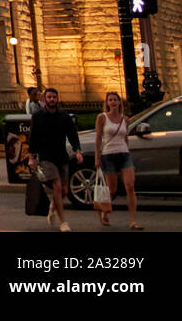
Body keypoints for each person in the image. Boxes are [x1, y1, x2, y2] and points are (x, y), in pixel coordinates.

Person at [28, 86, 83, 231]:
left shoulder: (64, 117)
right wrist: (31, 158)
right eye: (49, 97)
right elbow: (33, 138)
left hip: (61, 157)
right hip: (46, 157)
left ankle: (52, 207)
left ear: (57, 99)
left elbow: (72, 135)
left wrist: (78, 150)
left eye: (54, 97)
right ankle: (63, 222)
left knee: (64, 191)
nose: (52, 100)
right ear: (45, 99)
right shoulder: (38, 116)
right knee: (57, 186)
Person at [94, 91, 140, 229]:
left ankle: (133, 220)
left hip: (124, 154)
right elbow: (98, 138)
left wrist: (127, 149)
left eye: (115, 100)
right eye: (110, 100)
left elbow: (126, 137)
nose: (113, 102)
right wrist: (98, 157)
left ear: (120, 102)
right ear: (107, 103)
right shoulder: (102, 117)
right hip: (109, 155)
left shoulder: (125, 119)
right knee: (112, 190)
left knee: (130, 186)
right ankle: (103, 211)